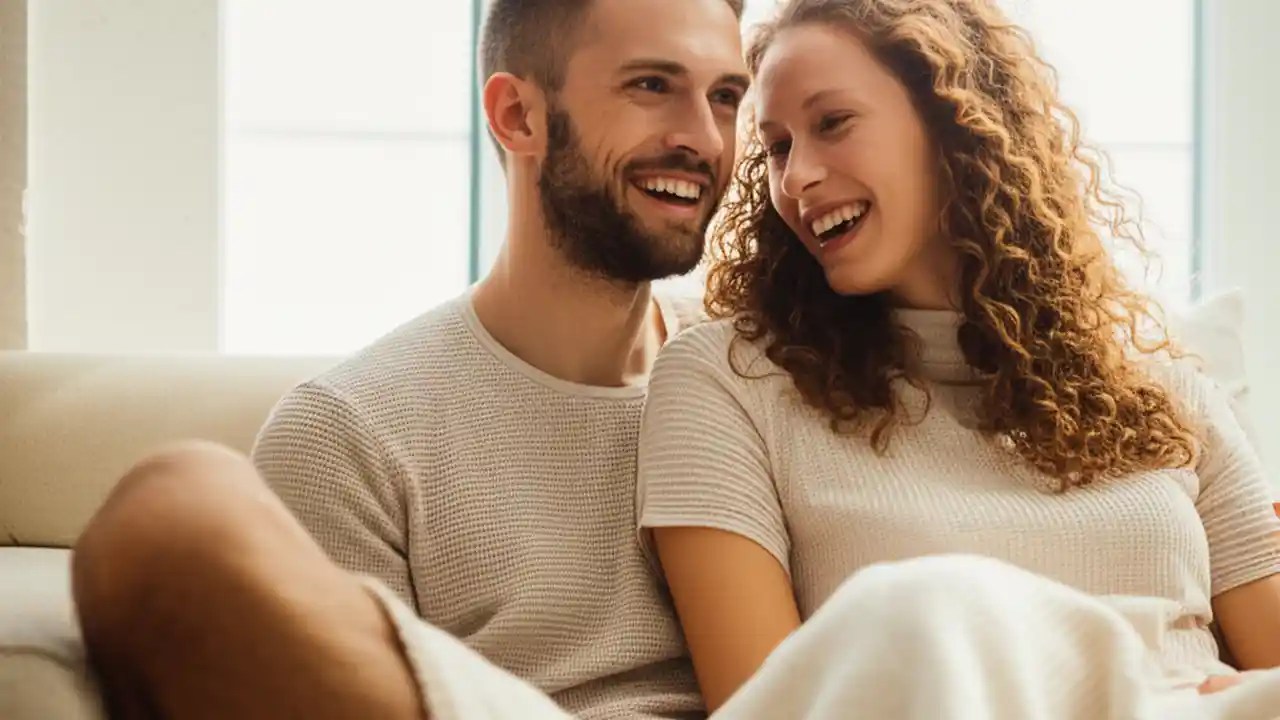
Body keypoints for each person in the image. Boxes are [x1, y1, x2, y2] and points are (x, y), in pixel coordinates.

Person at [71, 0, 748, 717]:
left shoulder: (753, 375)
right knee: (174, 502)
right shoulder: (349, 436)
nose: (704, 138)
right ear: (518, 115)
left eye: (726, 97)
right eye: (651, 85)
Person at [636, 0, 1280, 716]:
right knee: (920, 603)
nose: (796, 179)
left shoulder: (1167, 388)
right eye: (779, 146)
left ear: (954, 124)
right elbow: (767, 705)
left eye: (833, 123)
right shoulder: (730, 382)